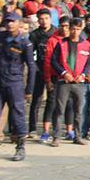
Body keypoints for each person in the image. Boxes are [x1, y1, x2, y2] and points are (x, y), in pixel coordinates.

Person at [0, 11, 36, 163]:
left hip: (14, 83)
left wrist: (29, 89)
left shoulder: (24, 42)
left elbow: (31, 66)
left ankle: (20, 146)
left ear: (19, 24)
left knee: (17, 114)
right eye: (7, 21)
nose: (9, 24)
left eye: (12, 21)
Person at [50, 18, 90, 146]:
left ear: (81, 30)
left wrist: (83, 74)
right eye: (73, 28)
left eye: (78, 29)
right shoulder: (61, 43)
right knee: (59, 109)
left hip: (79, 82)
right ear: (69, 28)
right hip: (64, 81)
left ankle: (77, 136)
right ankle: (56, 137)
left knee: (78, 110)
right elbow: (54, 61)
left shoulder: (86, 45)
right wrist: (64, 73)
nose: (75, 31)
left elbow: (89, 63)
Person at [27, 9, 55, 138]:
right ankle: (32, 128)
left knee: (52, 99)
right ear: (38, 20)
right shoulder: (34, 35)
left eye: (46, 18)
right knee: (37, 99)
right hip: (39, 70)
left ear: (50, 19)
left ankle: (49, 128)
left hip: (53, 70)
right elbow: (30, 55)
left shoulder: (56, 33)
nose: (44, 21)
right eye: (41, 19)